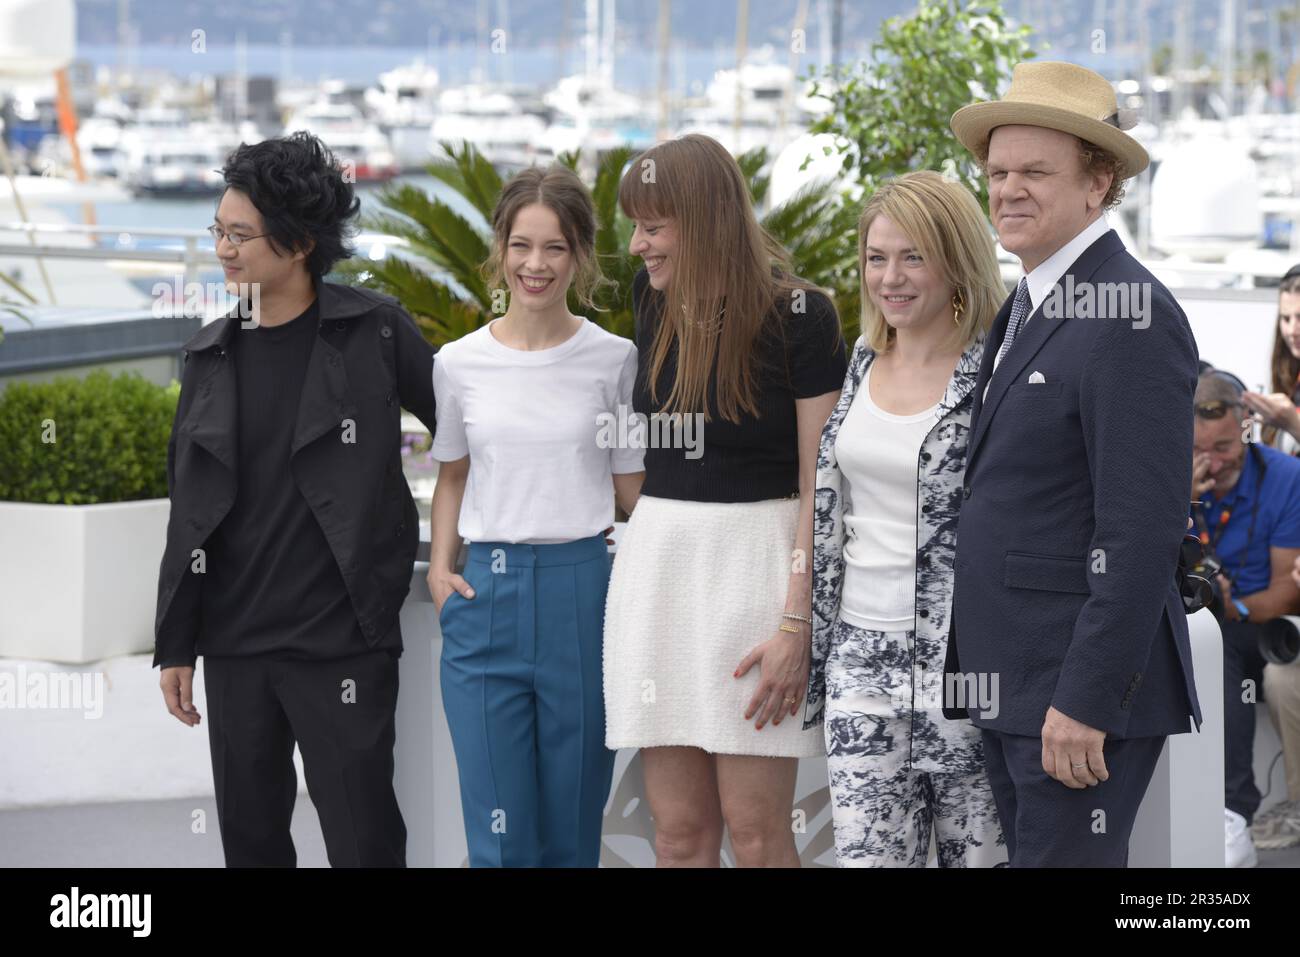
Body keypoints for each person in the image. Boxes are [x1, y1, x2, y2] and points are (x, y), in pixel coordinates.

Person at [153, 131, 437, 866]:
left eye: (240, 235)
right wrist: (177, 642)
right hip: (235, 643)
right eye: (217, 231)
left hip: (341, 643)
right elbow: (187, 505)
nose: (223, 249)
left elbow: (468, 438)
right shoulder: (208, 353)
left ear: (300, 242)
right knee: (251, 846)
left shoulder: (373, 330)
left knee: (364, 840)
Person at [945, 60, 1202, 867]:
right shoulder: (1030, 299)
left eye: (1034, 172)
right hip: (1016, 684)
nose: (1008, 190)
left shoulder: (1132, 312)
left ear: (1098, 183)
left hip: (1071, 696)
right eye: (997, 172)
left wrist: (1086, 699)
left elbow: (1143, 529)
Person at [603, 133, 847, 867]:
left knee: (758, 833)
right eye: (635, 226)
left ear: (705, 218)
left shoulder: (802, 315)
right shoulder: (653, 301)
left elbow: (819, 483)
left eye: (653, 226)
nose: (638, 245)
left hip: (758, 581)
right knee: (675, 836)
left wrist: (795, 622)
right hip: (661, 577)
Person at [428, 164, 644, 867]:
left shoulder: (613, 360)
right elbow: (453, 475)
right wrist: (438, 569)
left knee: (571, 832)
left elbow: (632, 489)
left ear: (580, 254)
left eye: (555, 247)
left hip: (584, 594)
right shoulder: (458, 364)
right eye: (522, 245)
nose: (536, 264)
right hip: (484, 597)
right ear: (500, 248)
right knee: (498, 837)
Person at [804, 170, 1007, 866]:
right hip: (859, 661)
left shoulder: (997, 371)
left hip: (967, 667)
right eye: (876, 257)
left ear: (956, 260)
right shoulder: (863, 359)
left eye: (912, 256)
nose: (890, 277)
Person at [1191, 370, 1300, 865]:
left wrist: (1231, 605)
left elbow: (1285, 592)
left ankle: (1235, 812)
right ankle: (1231, 814)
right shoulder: (1179, 477)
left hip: (1270, 629)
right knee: (1211, 649)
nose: (1212, 460)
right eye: (1198, 448)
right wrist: (1183, 498)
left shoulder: (1282, 475)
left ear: (1246, 427)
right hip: (1211, 631)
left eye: (1223, 446)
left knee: (1229, 651)